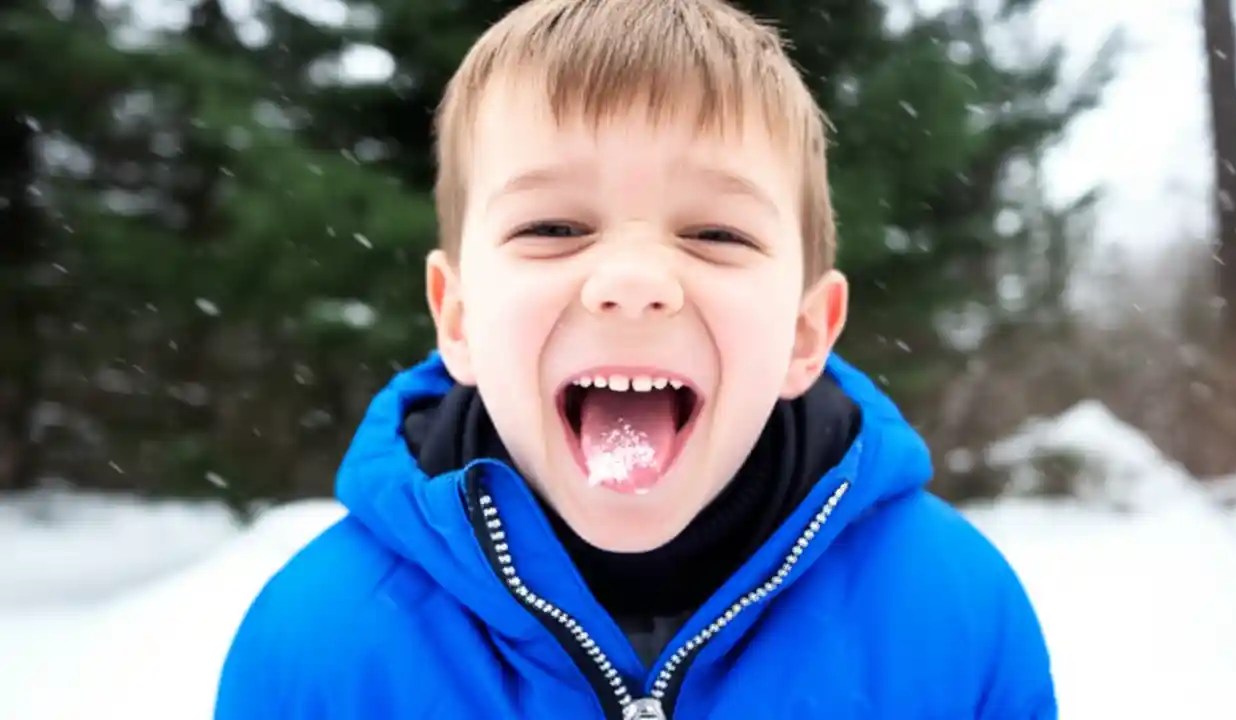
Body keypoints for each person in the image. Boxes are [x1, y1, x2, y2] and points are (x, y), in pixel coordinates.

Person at [214, 1, 1055, 717]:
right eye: (553, 228)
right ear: (459, 316)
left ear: (806, 334)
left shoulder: (955, 613)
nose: (632, 282)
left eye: (716, 233)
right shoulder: (318, 644)